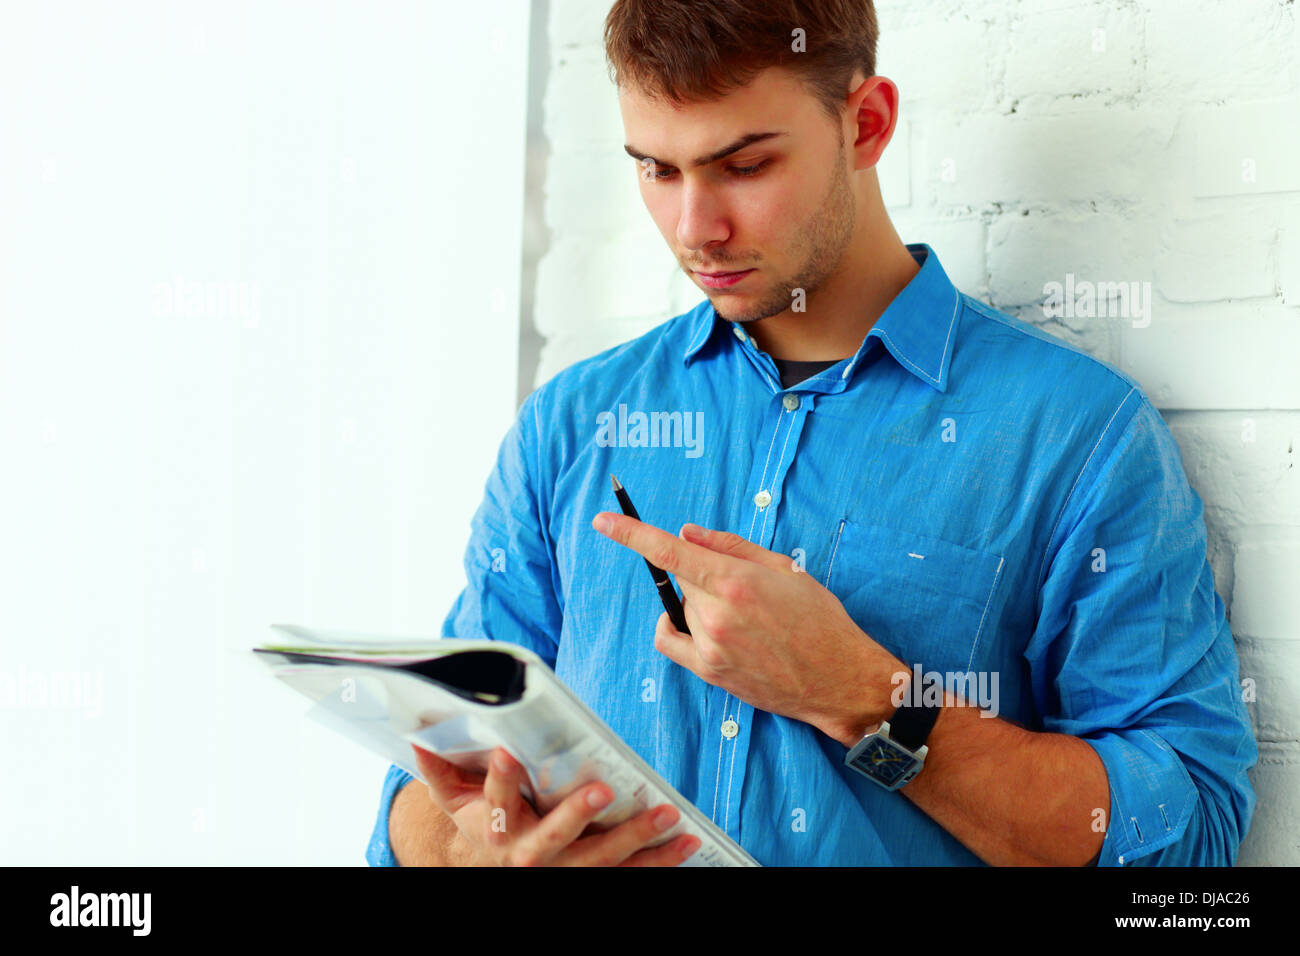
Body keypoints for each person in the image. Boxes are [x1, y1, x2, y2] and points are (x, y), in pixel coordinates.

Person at [370, 0, 1257, 866]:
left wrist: (870, 699)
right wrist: (474, 853)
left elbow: (1192, 832)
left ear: (865, 124)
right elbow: (427, 784)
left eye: (745, 166)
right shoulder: (569, 425)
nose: (695, 230)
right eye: (658, 170)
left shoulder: (1077, 436)